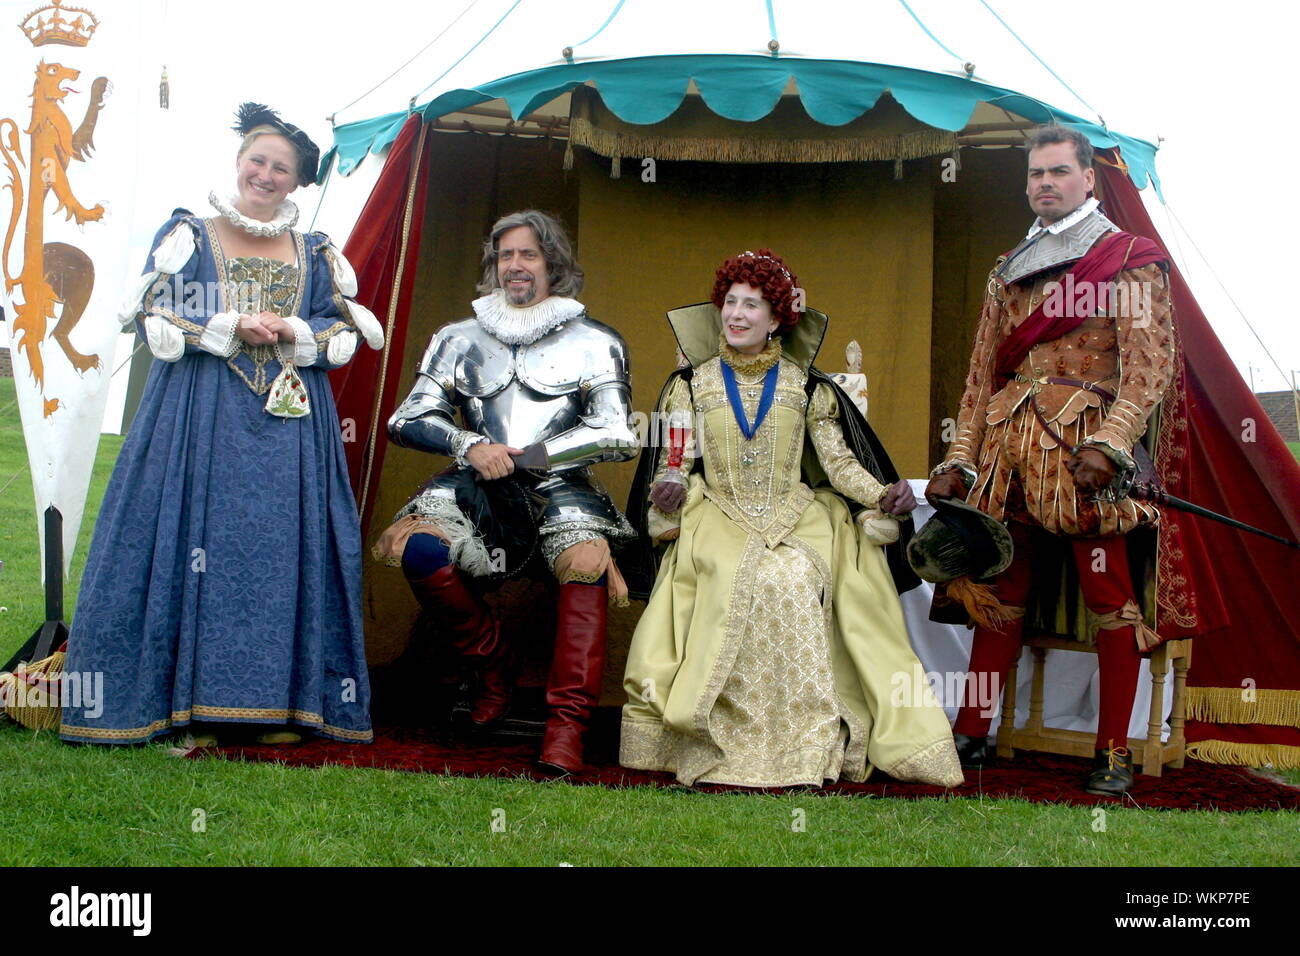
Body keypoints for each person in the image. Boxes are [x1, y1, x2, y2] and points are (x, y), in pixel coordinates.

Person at [60, 104, 382, 746]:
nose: (265, 174)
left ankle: (276, 708)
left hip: (288, 431)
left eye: (280, 168)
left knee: (275, 556)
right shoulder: (190, 232)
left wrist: (294, 328)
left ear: (297, 181)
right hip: (197, 417)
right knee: (189, 543)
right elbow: (152, 306)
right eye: (257, 161)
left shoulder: (316, 250)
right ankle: (184, 708)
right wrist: (228, 325)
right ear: (239, 162)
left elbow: (343, 324)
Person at [619, 249, 963, 789]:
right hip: (720, 511)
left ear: (776, 317)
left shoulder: (807, 386)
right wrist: (671, 484)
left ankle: (806, 741)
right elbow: (675, 457)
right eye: (729, 303)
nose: (735, 314)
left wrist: (881, 494)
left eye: (750, 305)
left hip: (794, 512)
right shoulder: (691, 383)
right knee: (734, 577)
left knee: (796, 578)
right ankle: (719, 739)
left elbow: (840, 463)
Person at [925, 125, 1175, 795]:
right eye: (1036, 173)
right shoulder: (1007, 268)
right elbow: (981, 380)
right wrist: (960, 457)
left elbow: (1148, 369)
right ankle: (972, 731)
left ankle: (1113, 752)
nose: (1045, 183)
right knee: (1001, 590)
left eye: (1059, 172)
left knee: (1110, 598)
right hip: (1008, 454)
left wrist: (1111, 444)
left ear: (1088, 179)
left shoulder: (1125, 257)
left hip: (1083, 457)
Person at [375, 209, 639, 774]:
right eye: (505, 255)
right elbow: (405, 419)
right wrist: (469, 444)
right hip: (475, 484)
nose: (515, 266)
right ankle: (491, 664)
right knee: (420, 550)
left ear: (553, 264)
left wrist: (537, 455)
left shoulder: (596, 340)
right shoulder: (456, 337)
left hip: (560, 486)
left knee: (586, 563)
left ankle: (567, 726)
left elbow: (618, 433)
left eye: (528, 254)